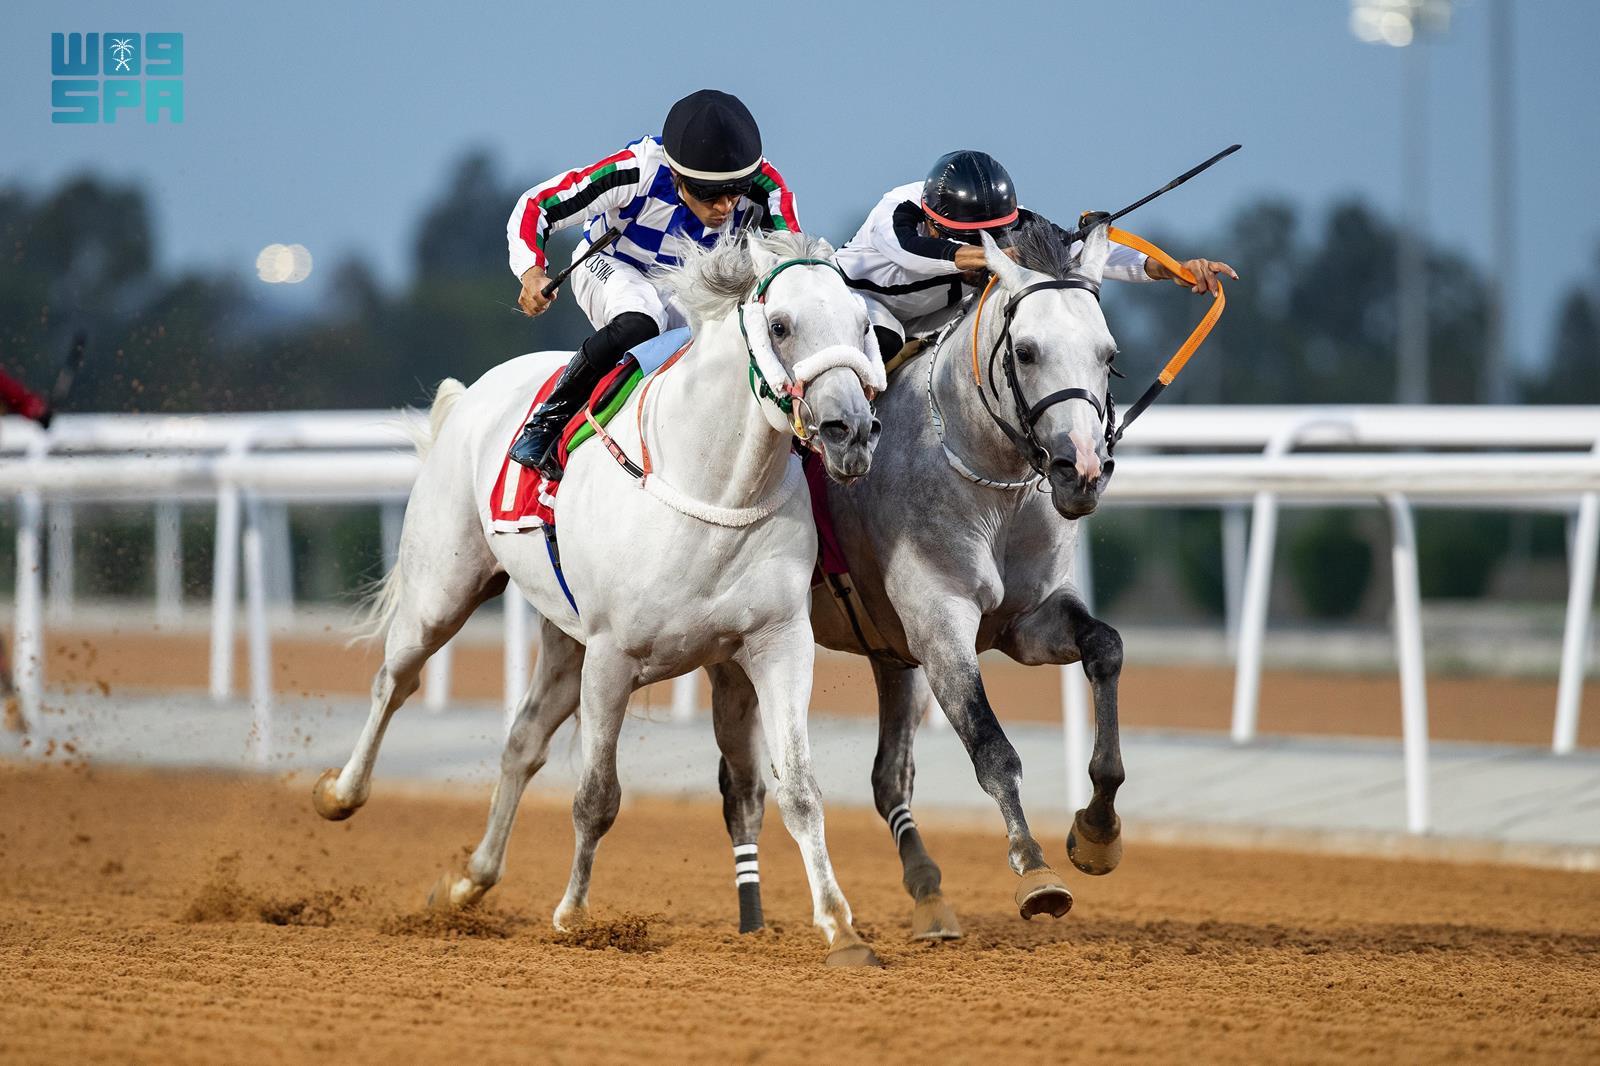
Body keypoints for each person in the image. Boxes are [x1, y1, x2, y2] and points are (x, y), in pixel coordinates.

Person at [505, 89, 800, 477]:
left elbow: (792, 264)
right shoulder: (637, 169)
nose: (725, 207)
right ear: (676, 173)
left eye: (735, 192)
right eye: (709, 193)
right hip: (611, 265)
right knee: (641, 320)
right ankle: (547, 422)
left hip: (689, 284)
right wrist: (532, 271)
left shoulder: (765, 183)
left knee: (728, 338)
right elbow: (538, 204)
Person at [833, 150, 1238, 360]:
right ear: (932, 219)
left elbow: (1079, 251)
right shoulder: (894, 212)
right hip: (860, 303)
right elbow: (914, 253)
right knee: (884, 335)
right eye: (974, 236)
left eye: (995, 234)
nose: (988, 241)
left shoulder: (1014, 218)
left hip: (936, 321)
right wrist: (995, 255)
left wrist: (1171, 269)